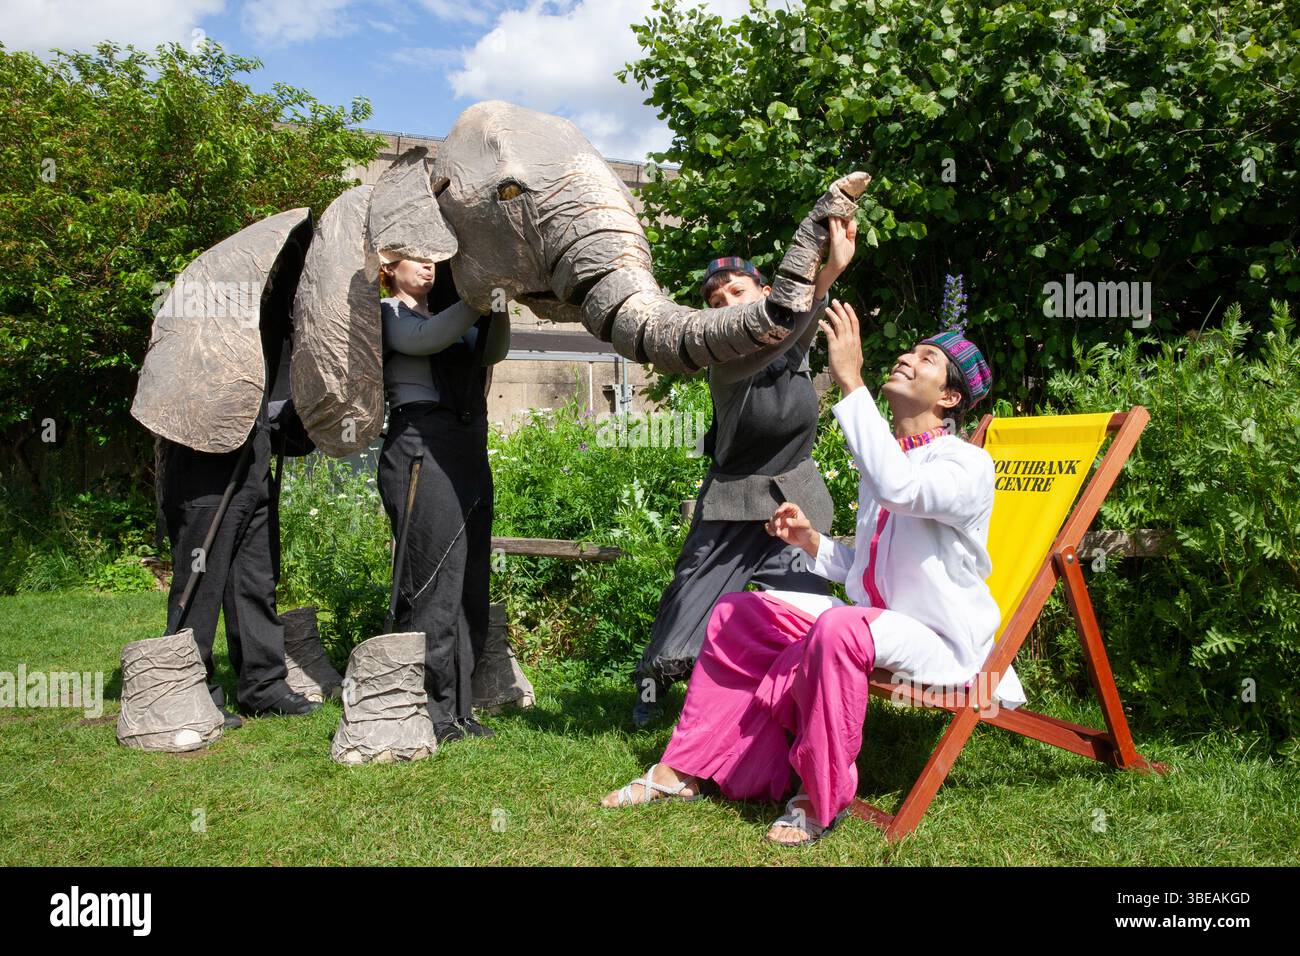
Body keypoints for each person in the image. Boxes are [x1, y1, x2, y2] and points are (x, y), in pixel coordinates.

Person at [601, 298, 1027, 845]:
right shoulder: (894, 455)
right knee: (738, 612)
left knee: (839, 628)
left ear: (949, 398)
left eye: (927, 359)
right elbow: (871, 571)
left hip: (942, 643)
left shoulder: (966, 465)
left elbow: (901, 489)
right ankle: (686, 765)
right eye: (910, 349)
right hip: (883, 621)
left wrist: (851, 383)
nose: (906, 357)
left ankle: (818, 795)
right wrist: (813, 543)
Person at [630, 215, 859, 727]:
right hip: (734, 499)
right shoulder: (726, 358)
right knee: (692, 591)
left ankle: (795, 693)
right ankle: (652, 684)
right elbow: (789, 329)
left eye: (738, 293)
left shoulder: (789, 345)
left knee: (800, 600)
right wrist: (828, 274)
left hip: (795, 498)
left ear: (767, 292)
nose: (728, 306)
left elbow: (793, 328)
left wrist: (828, 272)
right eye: (716, 303)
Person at [159, 264, 319, 728]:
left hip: (253, 462)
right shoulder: (203, 317)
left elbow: (276, 392)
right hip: (205, 465)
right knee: (201, 581)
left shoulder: (270, 322)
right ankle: (189, 691)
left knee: (254, 577)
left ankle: (262, 685)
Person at [377, 257, 510, 745]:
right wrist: (477, 298)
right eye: (418, 260)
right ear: (390, 268)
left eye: (437, 262)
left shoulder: (454, 315)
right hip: (419, 448)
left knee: (469, 581)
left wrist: (496, 304)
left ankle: (460, 707)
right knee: (433, 581)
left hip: (467, 446)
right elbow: (423, 340)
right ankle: (427, 708)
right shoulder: (391, 313)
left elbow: (493, 350)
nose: (430, 269)